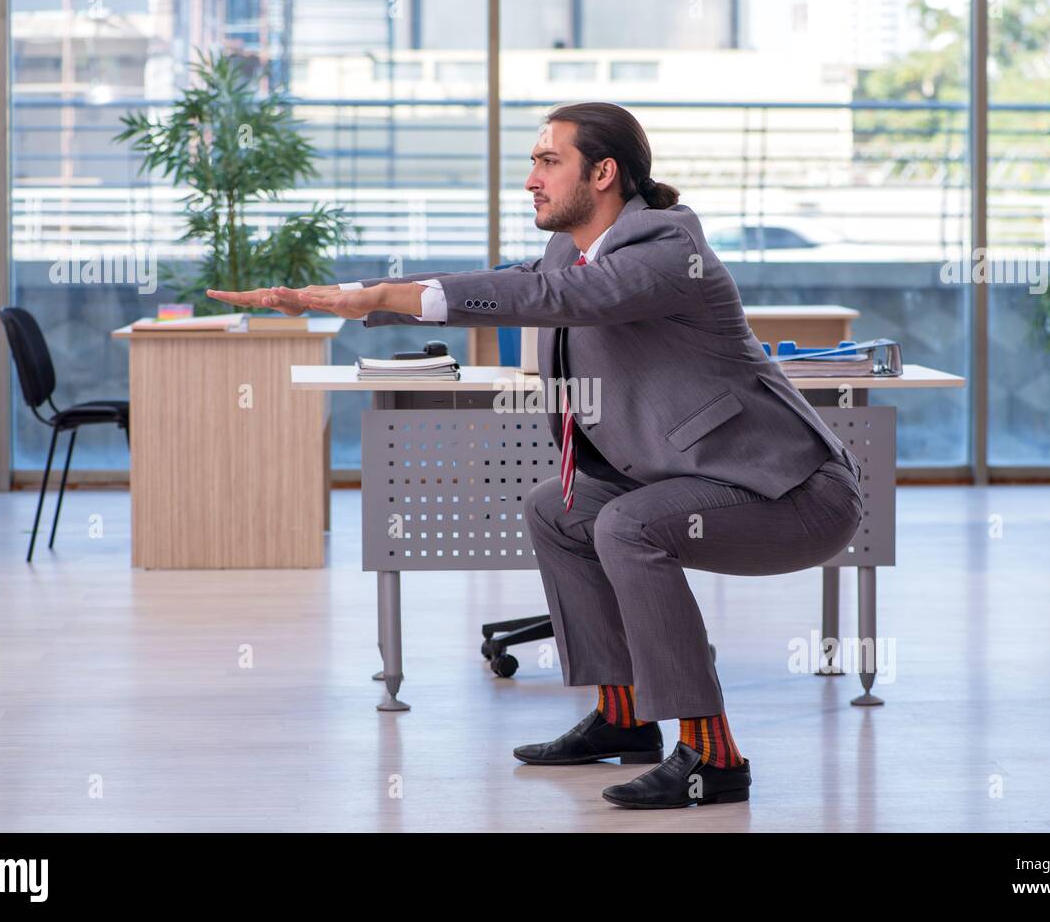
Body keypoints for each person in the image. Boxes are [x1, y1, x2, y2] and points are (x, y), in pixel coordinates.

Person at [208, 102, 864, 810]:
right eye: (532, 161)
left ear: (604, 173)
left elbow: (551, 296)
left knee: (627, 525)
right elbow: (512, 285)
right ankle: (626, 715)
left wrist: (379, 292)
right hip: (704, 483)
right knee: (560, 509)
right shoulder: (569, 252)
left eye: (549, 161)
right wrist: (354, 300)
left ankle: (714, 754)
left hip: (793, 492)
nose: (530, 179)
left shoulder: (671, 250)